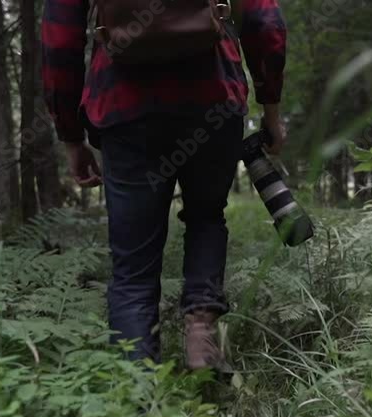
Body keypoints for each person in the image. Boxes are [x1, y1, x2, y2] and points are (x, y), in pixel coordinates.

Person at [41, 0, 287, 369]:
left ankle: (137, 382)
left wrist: (71, 136)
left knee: (132, 264)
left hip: (123, 107)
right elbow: (265, 20)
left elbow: (60, 38)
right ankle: (201, 336)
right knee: (206, 216)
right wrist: (271, 107)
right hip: (213, 99)